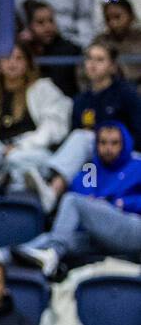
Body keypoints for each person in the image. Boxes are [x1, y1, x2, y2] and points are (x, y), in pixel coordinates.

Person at [8, 123, 141, 277]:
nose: (108, 148)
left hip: (132, 226)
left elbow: (77, 201)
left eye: (114, 143)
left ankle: (53, 254)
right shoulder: (91, 168)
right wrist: (95, 205)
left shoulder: (137, 165)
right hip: (98, 233)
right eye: (103, 142)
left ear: (125, 144)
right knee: (57, 238)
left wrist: (124, 203)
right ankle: (4, 256)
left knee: (71, 201)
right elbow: (82, 193)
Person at [24, 43, 141, 214]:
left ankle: (53, 189)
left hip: (125, 158)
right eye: (89, 59)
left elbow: (139, 130)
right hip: (92, 162)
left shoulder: (126, 93)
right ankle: (81, 205)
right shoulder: (80, 100)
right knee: (34, 157)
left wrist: (120, 147)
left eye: (100, 60)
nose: (92, 64)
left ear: (112, 66)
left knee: (82, 137)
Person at [0, 41, 71, 191]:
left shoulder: (44, 89)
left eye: (19, 58)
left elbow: (55, 128)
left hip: (31, 151)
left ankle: (16, 182)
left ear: (28, 63)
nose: (12, 63)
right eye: (7, 58)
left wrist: (20, 147)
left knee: (18, 159)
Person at [20, 0, 83, 98]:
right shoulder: (24, 52)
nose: (48, 27)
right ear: (29, 25)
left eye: (51, 21)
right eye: (40, 22)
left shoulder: (71, 50)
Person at [15, 0, 96, 48]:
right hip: (31, 45)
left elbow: (84, 18)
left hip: (72, 42)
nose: (47, 26)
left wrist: (84, 45)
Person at [99, 0, 141, 85]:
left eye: (117, 17)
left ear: (131, 16)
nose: (113, 23)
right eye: (108, 19)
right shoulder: (100, 42)